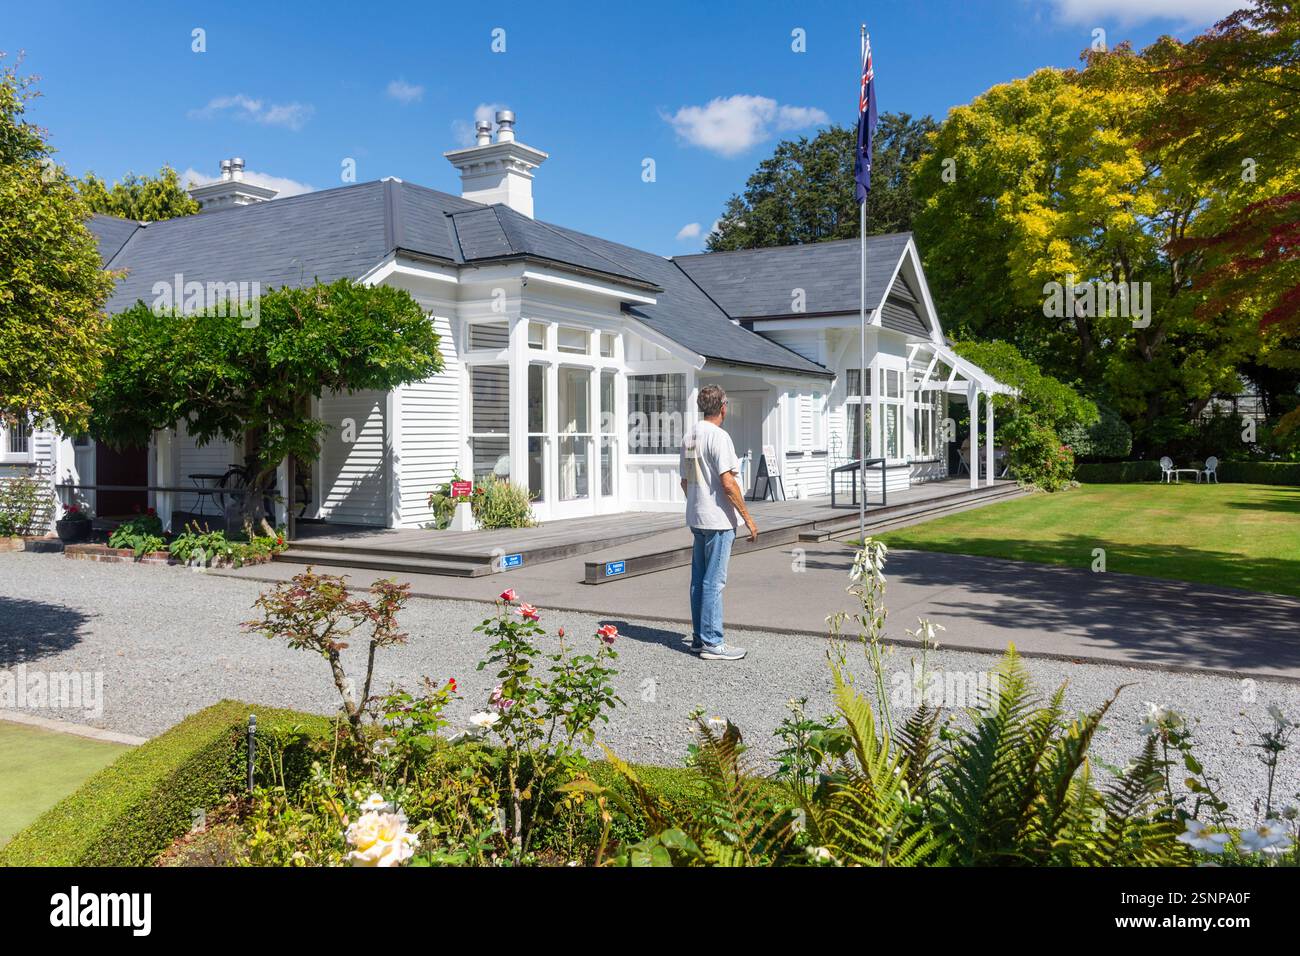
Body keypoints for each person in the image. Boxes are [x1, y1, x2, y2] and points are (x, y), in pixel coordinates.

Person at [678, 384, 758, 661]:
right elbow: (728, 482)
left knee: (698, 580)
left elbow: (685, 481)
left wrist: (697, 503)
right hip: (719, 520)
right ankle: (713, 642)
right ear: (723, 406)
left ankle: (700, 639)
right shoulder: (720, 437)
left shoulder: (689, 436)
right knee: (714, 581)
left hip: (697, 517)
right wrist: (748, 519)